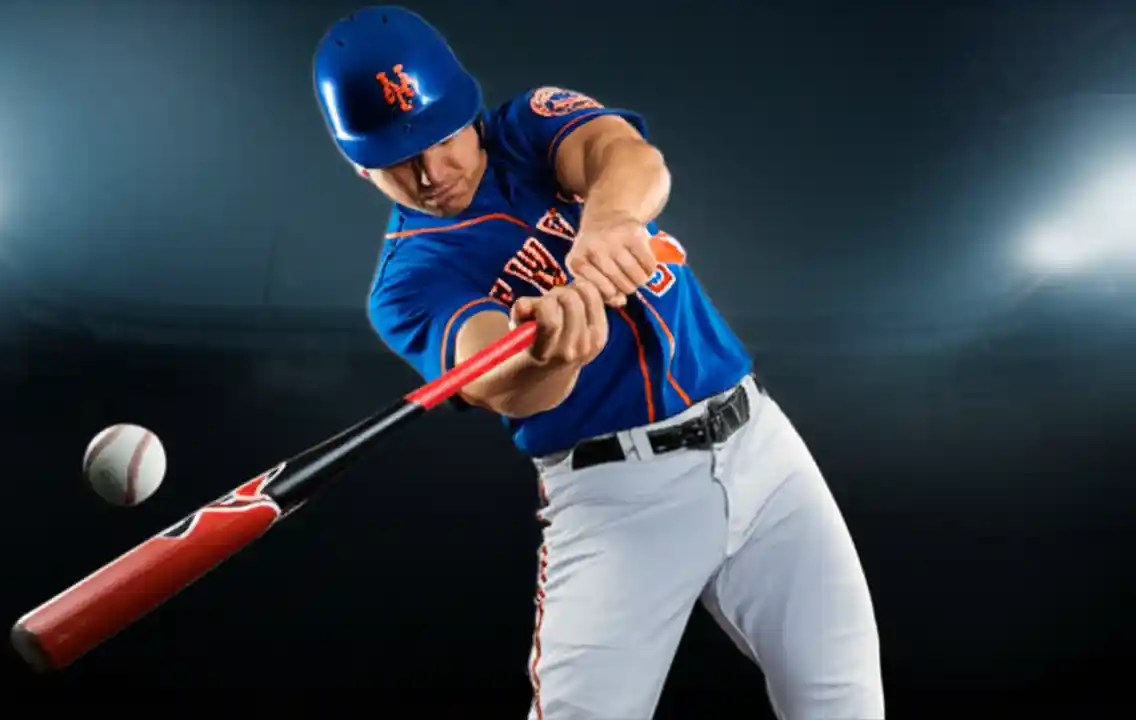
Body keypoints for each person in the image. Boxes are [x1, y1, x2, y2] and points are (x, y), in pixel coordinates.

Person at [311, 6, 885, 719]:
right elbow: (504, 384)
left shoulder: (528, 125)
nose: (430, 171)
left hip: (762, 449)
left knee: (848, 705)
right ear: (357, 162)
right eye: (397, 157)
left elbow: (630, 159)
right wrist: (553, 355)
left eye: (438, 136)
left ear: (466, 108)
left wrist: (610, 219)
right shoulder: (406, 281)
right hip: (618, 502)